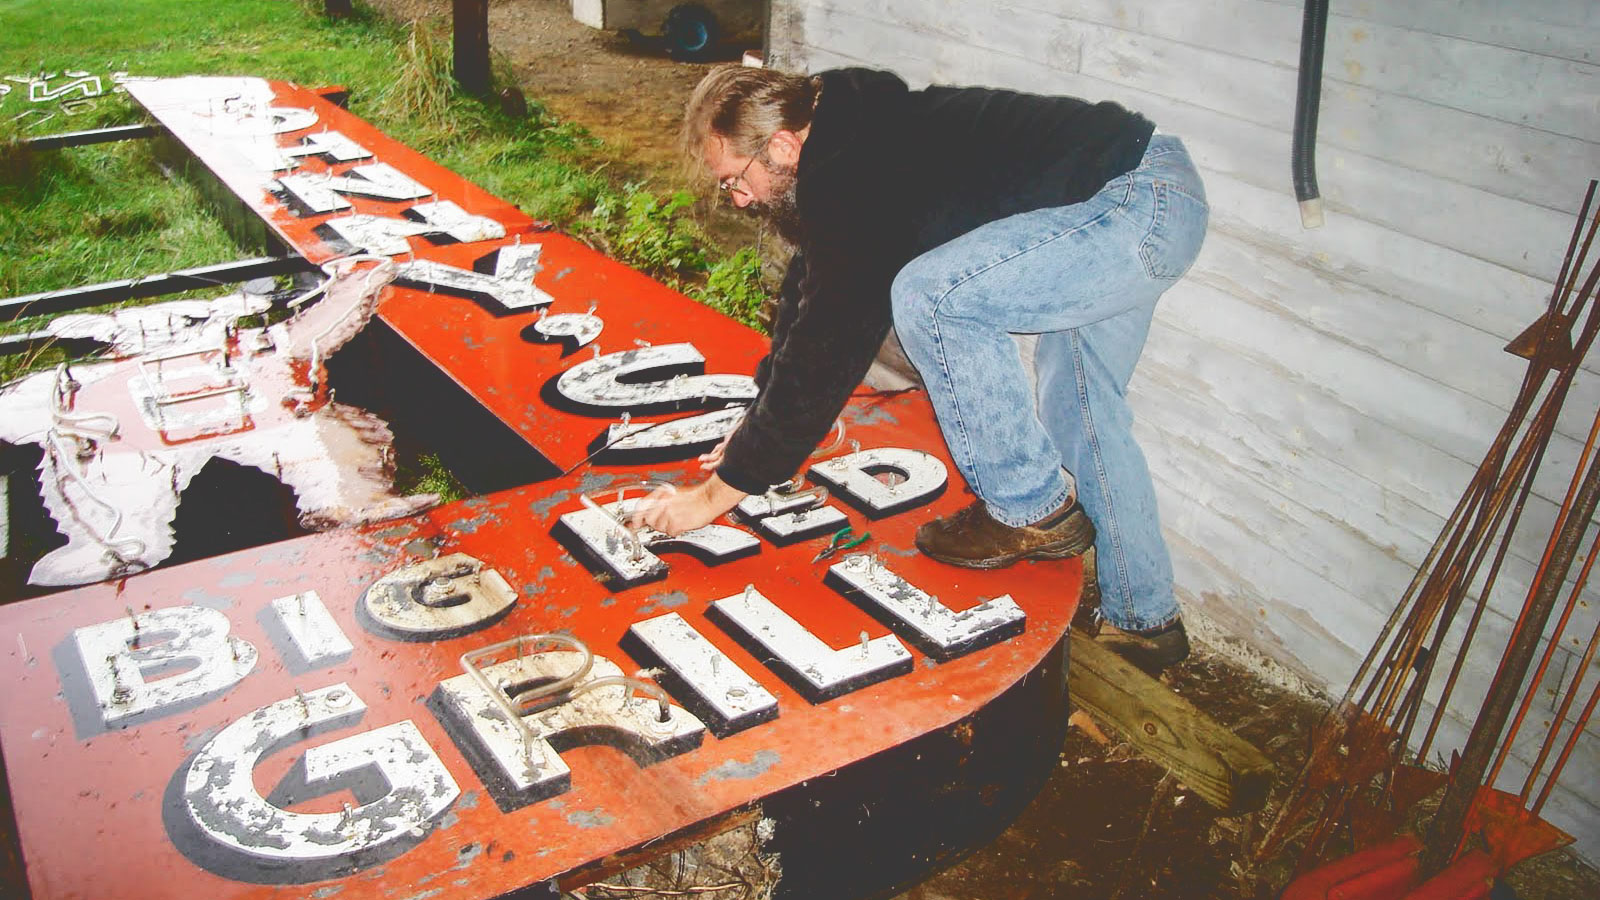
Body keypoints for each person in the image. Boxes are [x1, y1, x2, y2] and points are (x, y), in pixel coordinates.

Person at [632, 65, 1208, 672]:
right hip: (1145, 192)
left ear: (780, 145)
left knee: (931, 298)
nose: (739, 200)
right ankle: (1146, 623)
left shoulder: (850, 167)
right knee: (1082, 414)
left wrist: (718, 494)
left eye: (735, 181)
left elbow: (830, 342)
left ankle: (1032, 510)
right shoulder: (847, 144)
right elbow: (811, 293)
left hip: (1133, 203)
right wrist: (757, 421)